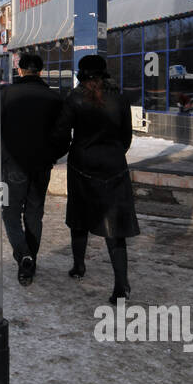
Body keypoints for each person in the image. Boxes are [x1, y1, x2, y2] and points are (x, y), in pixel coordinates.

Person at [52, 54, 140, 302]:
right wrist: (113, 154)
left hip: (82, 166)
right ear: (104, 73)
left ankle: (79, 266)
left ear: (82, 74)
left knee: (79, 218)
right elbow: (126, 137)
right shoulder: (120, 98)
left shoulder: (74, 98)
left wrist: (58, 151)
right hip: (114, 167)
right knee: (115, 229)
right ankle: (121, 286)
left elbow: (61, 132)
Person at [0, 54, 69, 286]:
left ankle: (23, 255)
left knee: (9, 212)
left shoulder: (6, 94)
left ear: (19, 71)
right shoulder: (54, 97)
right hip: (41, 166)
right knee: (34, 213)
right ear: (41, 71)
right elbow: (63, 136)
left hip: (12, 165)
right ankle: (30, 262)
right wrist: (50, 156)